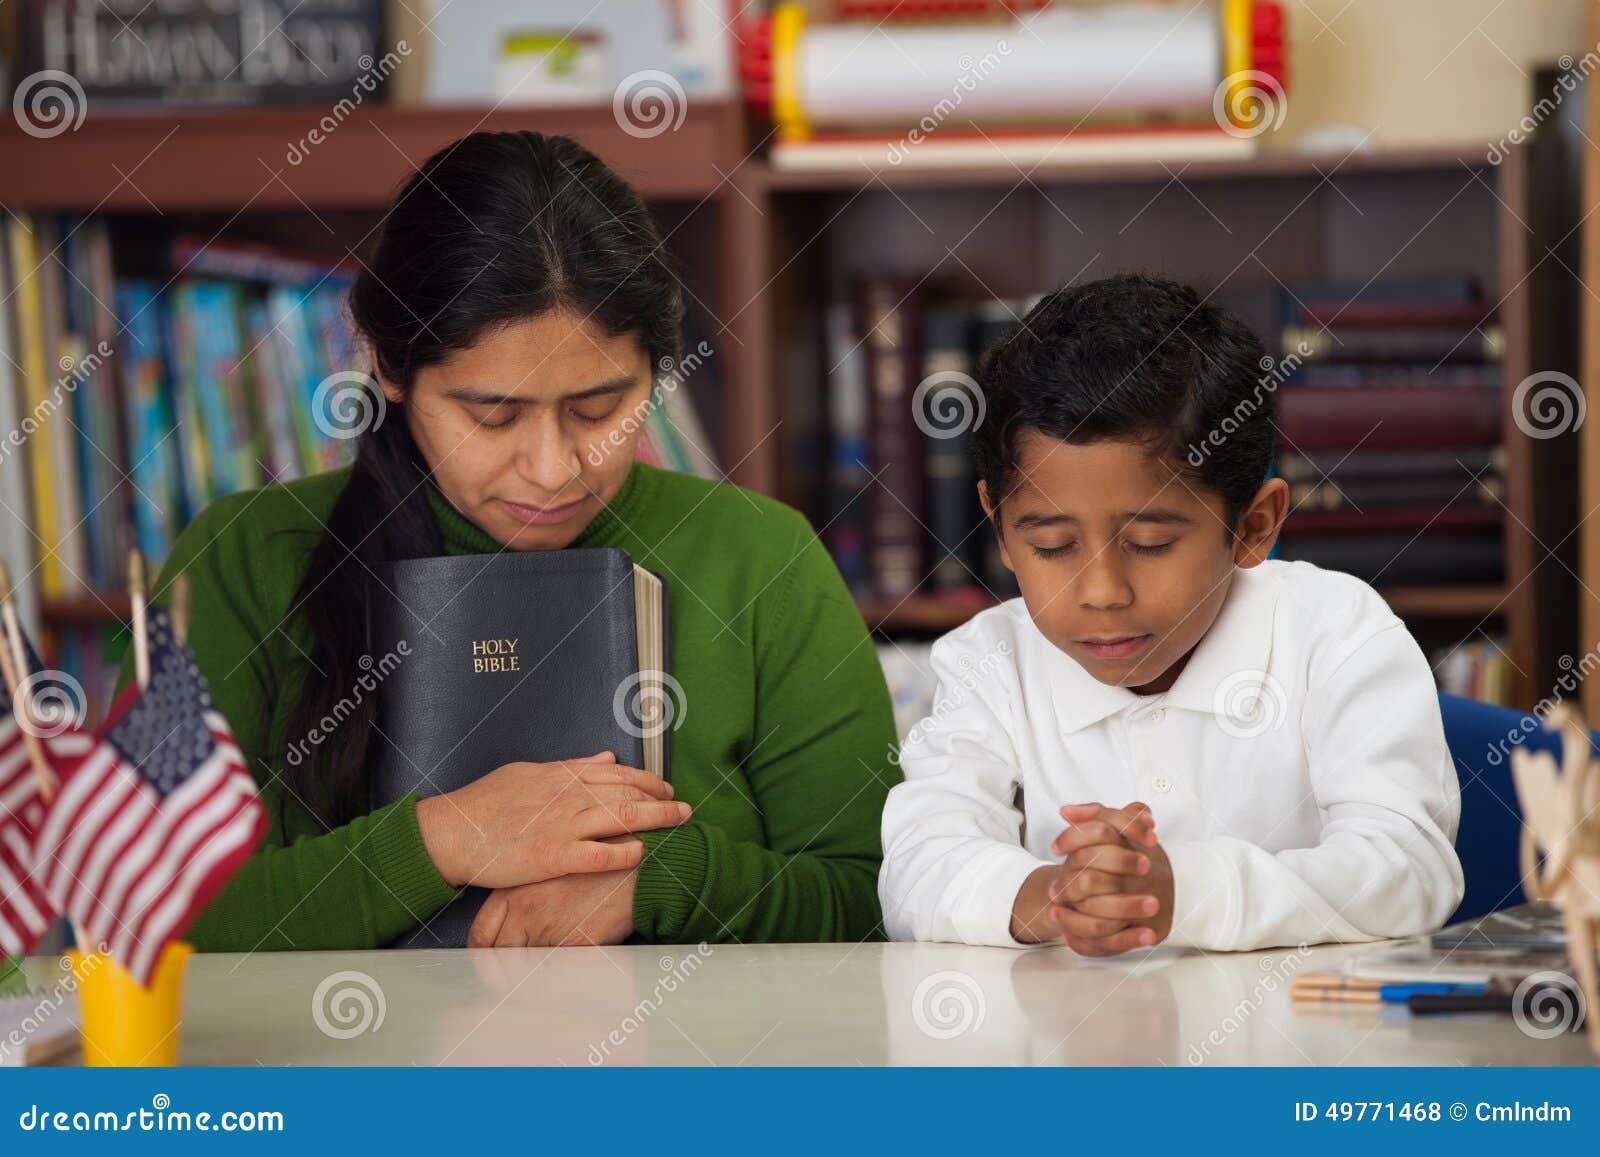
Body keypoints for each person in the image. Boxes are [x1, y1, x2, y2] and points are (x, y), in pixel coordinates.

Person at [153, 131, 899, 951]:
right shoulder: (242, 558)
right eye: (493, 415)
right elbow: (145, 913)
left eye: (599, 409)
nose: (552, 470)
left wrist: (661, 880)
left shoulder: (760, 555)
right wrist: (444, 839)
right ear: (390, 368)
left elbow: (876, 900)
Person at [879, 273, 1464, 954]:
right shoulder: (987, 663)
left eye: (1150, 543)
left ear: (1254, 525)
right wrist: (1052, 896)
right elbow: (916, 869)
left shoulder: (1336, 633)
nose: (1102, 591)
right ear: (1000, 528)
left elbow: (1408, 869)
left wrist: (1177, 891)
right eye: (1053, 545)